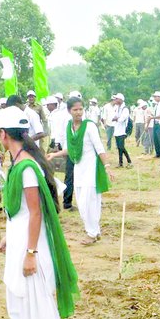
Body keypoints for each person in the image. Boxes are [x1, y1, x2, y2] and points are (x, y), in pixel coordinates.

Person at [0, 107, 79, 319]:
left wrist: (31, 253)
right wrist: (8, 236)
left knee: (38, 300)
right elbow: (19, 212)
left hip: (32, 244)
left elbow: (36, 212)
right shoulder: (18, 163)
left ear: (3, 134)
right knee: (17, 298)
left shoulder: (27, 168)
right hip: (19, 238)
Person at [49, 97, 110, 245]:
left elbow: (99, 148)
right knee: (82, 203)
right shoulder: (69, 127)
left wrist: (107, 166)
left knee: (90, 202)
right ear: (69, 111)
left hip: (91, 168)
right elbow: (68, 149)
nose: (78, 112)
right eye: (75, 109)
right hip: (79, 168)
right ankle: (94, 231)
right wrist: (54, 155)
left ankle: (92, 233)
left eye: (80, 109)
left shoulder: (89, 126)